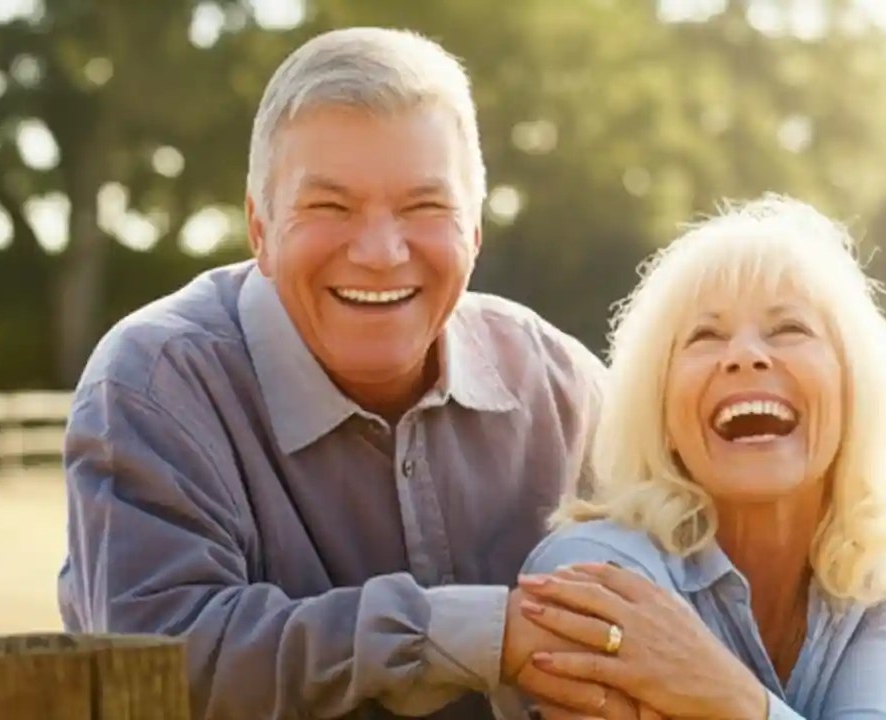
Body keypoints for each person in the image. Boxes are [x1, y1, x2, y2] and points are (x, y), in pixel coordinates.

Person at [58, 27, 609, 720]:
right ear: (260, 229)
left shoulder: (562, 384)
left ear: (473, 230)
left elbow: (682, 582)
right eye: (329, 207)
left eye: (424, 206)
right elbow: (157, 661)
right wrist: (483, 635)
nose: (380, 251)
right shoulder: (153, 384)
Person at [498, 196, 886, 719]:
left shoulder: (885, 572)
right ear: (660, 410)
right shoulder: (595, 574)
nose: (745, 355)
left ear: (854, 391)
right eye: (706, 335)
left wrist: (729, 697)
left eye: (789, 329)